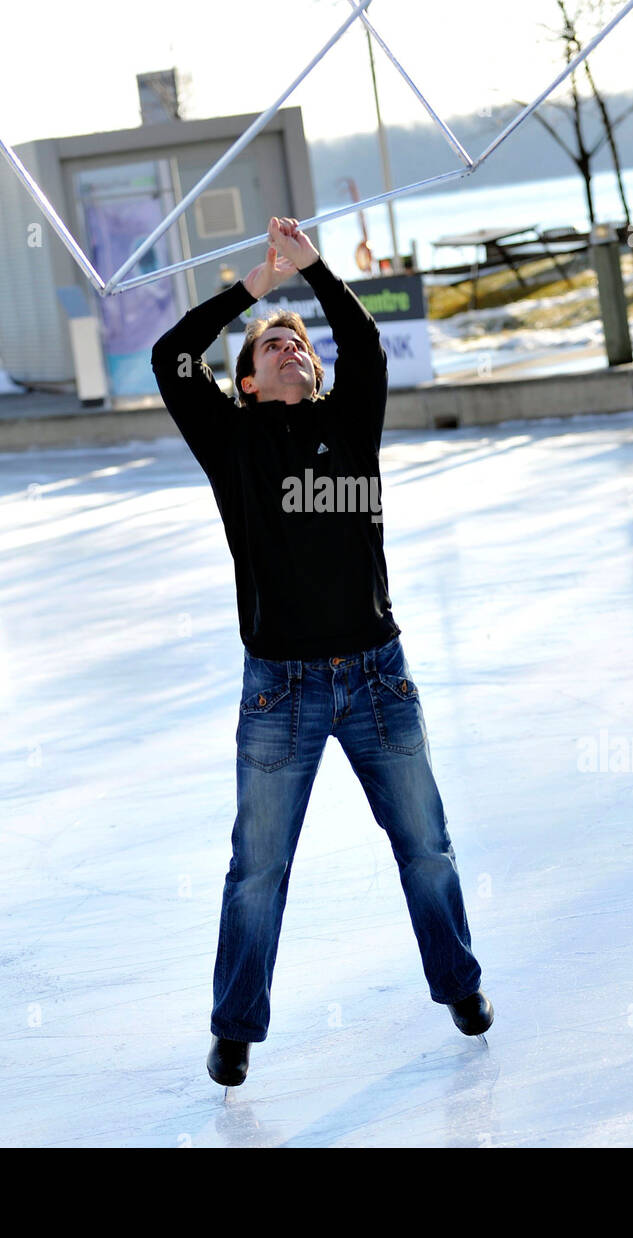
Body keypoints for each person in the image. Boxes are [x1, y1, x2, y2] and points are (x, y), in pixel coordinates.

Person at [150, 217, 491, 1088]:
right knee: (258, 867)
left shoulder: (354, 422)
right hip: (281, 691)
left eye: (299, 346)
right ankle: (234, 1026)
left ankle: (459, 984)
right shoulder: (230, 443)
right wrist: (253, 293)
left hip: (379, 677)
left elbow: (366, 344)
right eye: (272, 347)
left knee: (427, 846)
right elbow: (169, 358)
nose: (290, 352)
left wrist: (318, 275)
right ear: (247, 379)